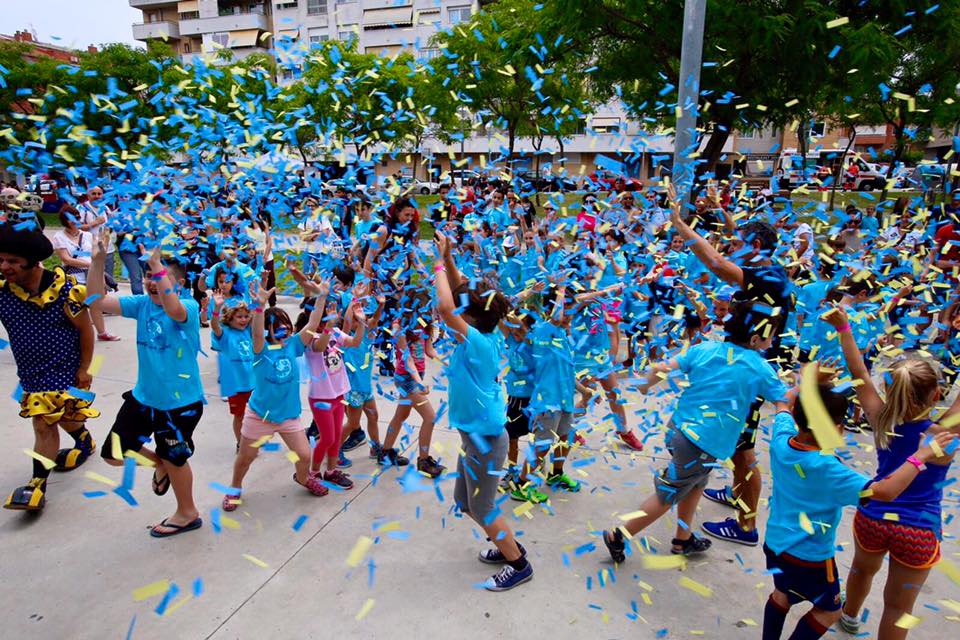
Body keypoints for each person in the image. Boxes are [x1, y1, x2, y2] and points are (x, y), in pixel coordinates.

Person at [762, 373, 955, 640]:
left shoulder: (781, 439)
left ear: (798, 416)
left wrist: (808, 384)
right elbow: (885, 491)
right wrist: (921, 455)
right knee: (829, 611)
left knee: (782, 594)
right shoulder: (830, 470)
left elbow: (782, 403)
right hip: (811, 558)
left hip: (774, 543)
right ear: (838, 429)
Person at [601, 300, 787, 562]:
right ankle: (618, 535)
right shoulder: (759, 367)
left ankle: (683, 539)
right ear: (756, 339)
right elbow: (784, 398)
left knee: (696, 483)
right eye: (772, 334)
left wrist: (645, 383)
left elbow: (664, 368)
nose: (775, 339)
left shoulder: (706, 348)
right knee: (669, 493)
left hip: (679, 431)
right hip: (702, 444)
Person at [824, 306, 960, 640]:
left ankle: (851, 617)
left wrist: (844, 328)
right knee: (899, 609)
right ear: (936, 395)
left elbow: (858, 372)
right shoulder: (941, 436)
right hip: (918, 530)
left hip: (873, 517)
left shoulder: (880, 419)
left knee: (860, 570)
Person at [670, 188, 793, 546]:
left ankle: (746, 526)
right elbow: (735, 246)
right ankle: (739, 500)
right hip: (744, 367)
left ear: (755, 246)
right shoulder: (766, 266)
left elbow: (718, 265)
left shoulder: (767, 275)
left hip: (751, 372)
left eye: (740, 240)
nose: (731, 242)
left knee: (743, 453)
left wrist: (680, 224)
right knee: (741, 448)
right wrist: (721, 209)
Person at [88, 230, 206, 538]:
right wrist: (97, 261)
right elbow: (96, 300)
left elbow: (173, 310)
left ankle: (187, 512)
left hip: (180, 405)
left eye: (159, 275)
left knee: (177, 457)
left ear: (179, 283)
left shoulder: (188, 307)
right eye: (148, 275)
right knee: (114, 455)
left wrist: (157, 265)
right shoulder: (141, 304)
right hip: (144, 398)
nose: (152, 281)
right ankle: (160, 463)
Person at [434, 231, 533, 591]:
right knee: (465, 502)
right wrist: (447, 256)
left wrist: (435, 269)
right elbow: (462, 292)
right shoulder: (483, 332)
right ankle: (505, 543)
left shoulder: (477, 343)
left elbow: (447, 307)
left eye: (464, 311)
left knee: (483, 507)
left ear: (471, 319)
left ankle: (518, 563)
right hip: (474, 437)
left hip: (486, 440)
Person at [1, 224, 99, 511]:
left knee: (44, 423)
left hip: (64, 368)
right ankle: (85, 441)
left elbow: (85, 331)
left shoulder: (67, 291)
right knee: (64, 415)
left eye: (13, 261)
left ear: (32, 262)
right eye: (1, 260)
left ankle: (36, 485)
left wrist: (84, 368)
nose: (5, 267)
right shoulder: (4, 292)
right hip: (30, 373)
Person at [222, 274, 331, 512]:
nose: (282, 329)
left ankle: (303, 478)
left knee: (304, 455)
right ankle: (235, 488)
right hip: (260, 415)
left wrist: (321, 297)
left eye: (285, 324)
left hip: (289, 415)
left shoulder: (293, 344)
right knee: (245, 458)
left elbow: (312, 325)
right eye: (276, 327)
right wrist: (259, 307)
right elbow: (258, 334)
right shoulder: (261, 349)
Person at [304, 290, 367, 489]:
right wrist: (328, 328)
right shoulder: (308, 336)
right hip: (321, 396)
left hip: (339, 393)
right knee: (328, 437)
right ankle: (313, 473)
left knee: (336, 435)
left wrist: (362, 322)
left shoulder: (336, 333)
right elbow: (320, 347)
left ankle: (330, 471)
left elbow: (355, 342)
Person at [210, 290, 255, 447]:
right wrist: (216, 308)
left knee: (256, 415)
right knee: (239, 415)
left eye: (245, 316)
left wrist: (258, 296)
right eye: (239, 317)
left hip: (252, 381)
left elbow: (257, 314)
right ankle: (240, 443)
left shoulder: (248, 331)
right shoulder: (225, 334)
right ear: (230, 319)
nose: (244, 320)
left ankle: (252, 439)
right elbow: (214, 325)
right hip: (234, 383)